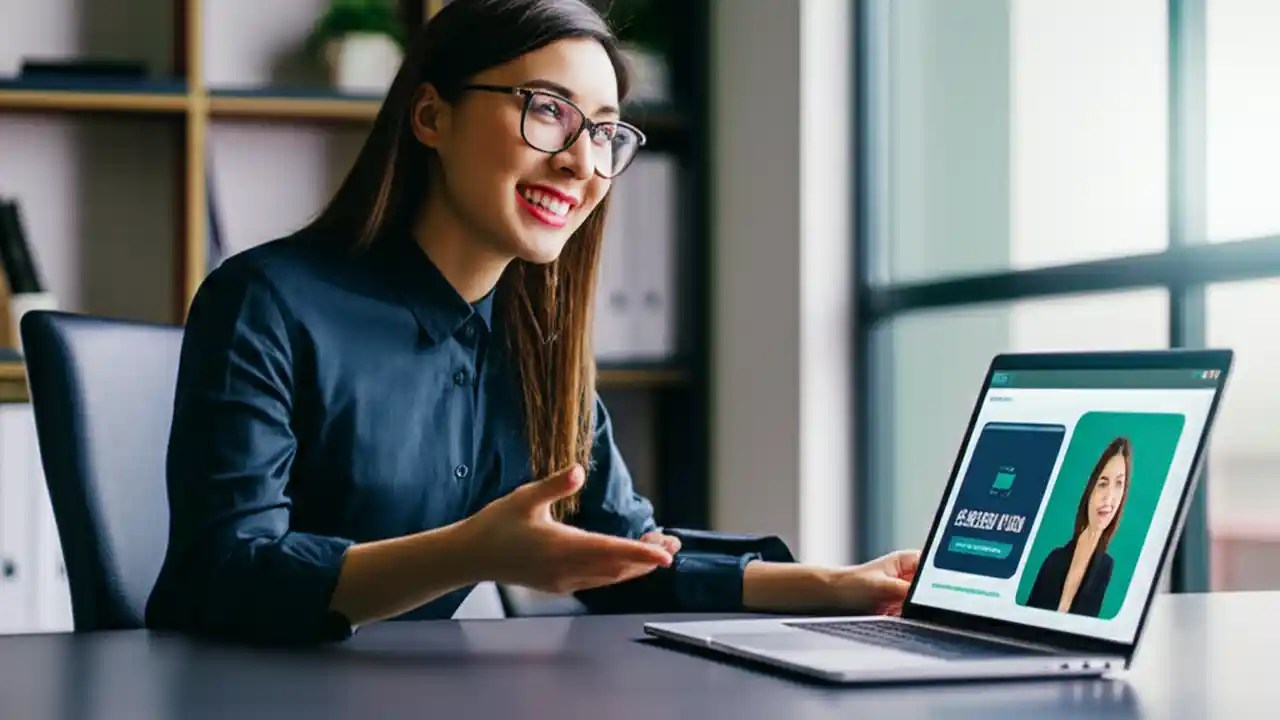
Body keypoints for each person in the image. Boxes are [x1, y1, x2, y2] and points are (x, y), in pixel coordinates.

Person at [145, 0, 919, 644]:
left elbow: (625, 557)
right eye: (548, 111)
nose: (582, 163)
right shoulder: (265, 302)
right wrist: (468, 553)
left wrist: (838, 587)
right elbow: (226, 575)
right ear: (430, 116)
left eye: (605, 132)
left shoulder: (538, 345)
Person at [1025, 437, 1132, 617]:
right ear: (1089, 489)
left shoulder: (1105, 567)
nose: (1109, 498)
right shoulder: (1054, 559)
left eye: (1119, 484)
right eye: (1103, 483)